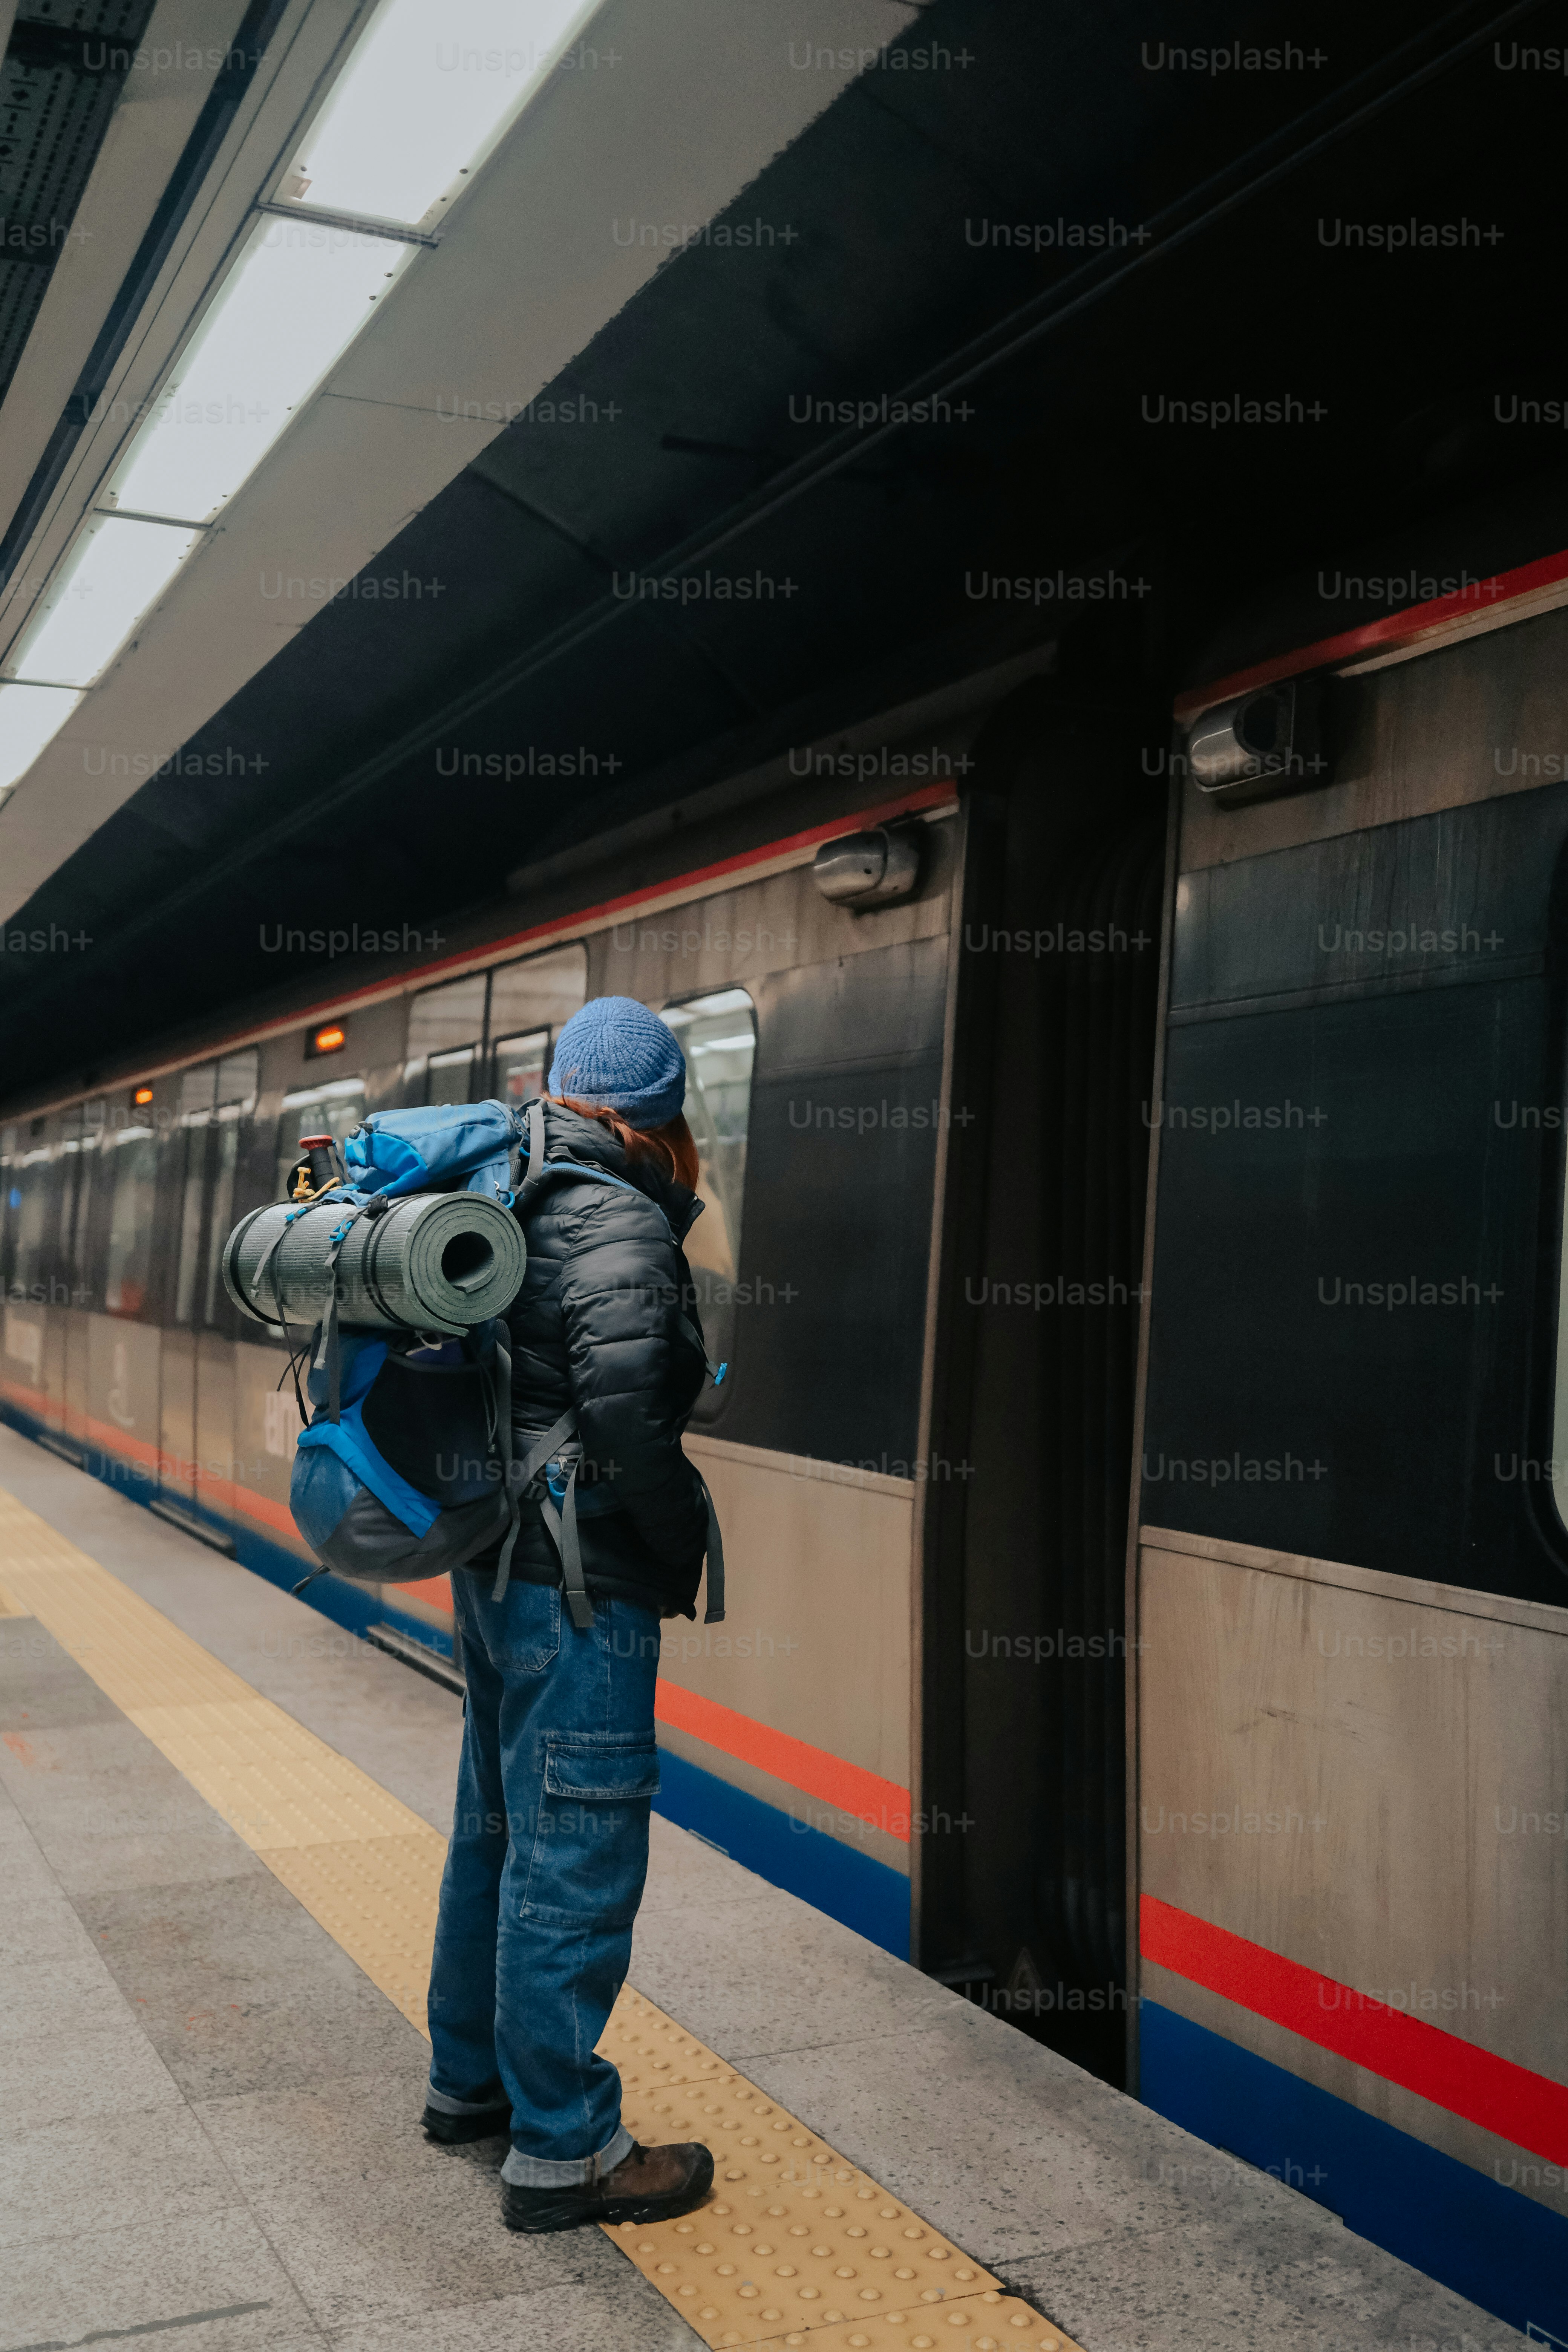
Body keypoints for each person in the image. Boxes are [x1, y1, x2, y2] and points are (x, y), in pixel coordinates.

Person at [420, 995, 718, 2231]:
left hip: (497, 1565)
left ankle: (470, 2084)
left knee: (494, 1828)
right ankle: (566, 2149)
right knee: (575, 1855)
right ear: (658, 1117)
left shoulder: (512, 1186)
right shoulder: (620, 1220)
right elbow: (631, 1422)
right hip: (578, 1583)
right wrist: (682, 1545)